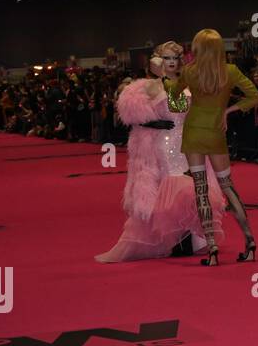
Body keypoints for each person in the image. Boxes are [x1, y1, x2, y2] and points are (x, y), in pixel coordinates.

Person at [96, 42, 224, 263]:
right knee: (173, 187)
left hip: (189, 141)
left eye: (175, 57)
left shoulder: (190, 84)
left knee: (193, 186)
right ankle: (175, 240)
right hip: (164, 144)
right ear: (157, 61)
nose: (171, 62)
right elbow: (135, 117)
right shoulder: (151, 87)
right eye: (166, 58)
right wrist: (154, 123)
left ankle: (189, 238)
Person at [162, 29, 258, 266]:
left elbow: (176, 105)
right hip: (216, 133)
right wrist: (228, 111)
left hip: (194, 131)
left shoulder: (189, 71)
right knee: (228, 187)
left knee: (201, 188)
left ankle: (212, 248)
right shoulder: (230, 71)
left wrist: (168, 84)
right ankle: (249, 240)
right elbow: (256, 96)